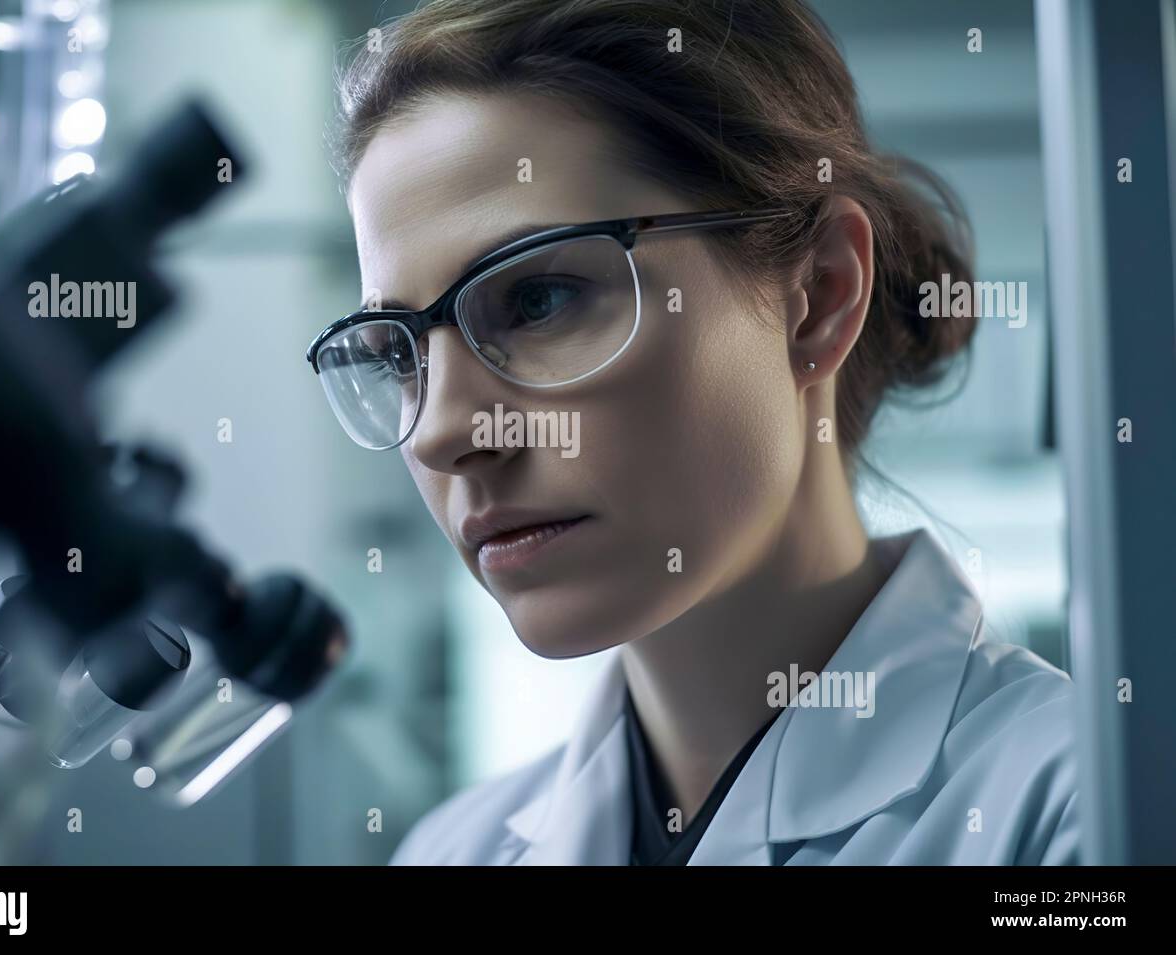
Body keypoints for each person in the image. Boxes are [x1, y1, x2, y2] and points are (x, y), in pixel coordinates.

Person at [306, 0, 1078, 864]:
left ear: (820, 295)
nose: (442, 432)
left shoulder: (1082, 811)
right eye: (394, 353)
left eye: (538, 298)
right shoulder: (452, 853)